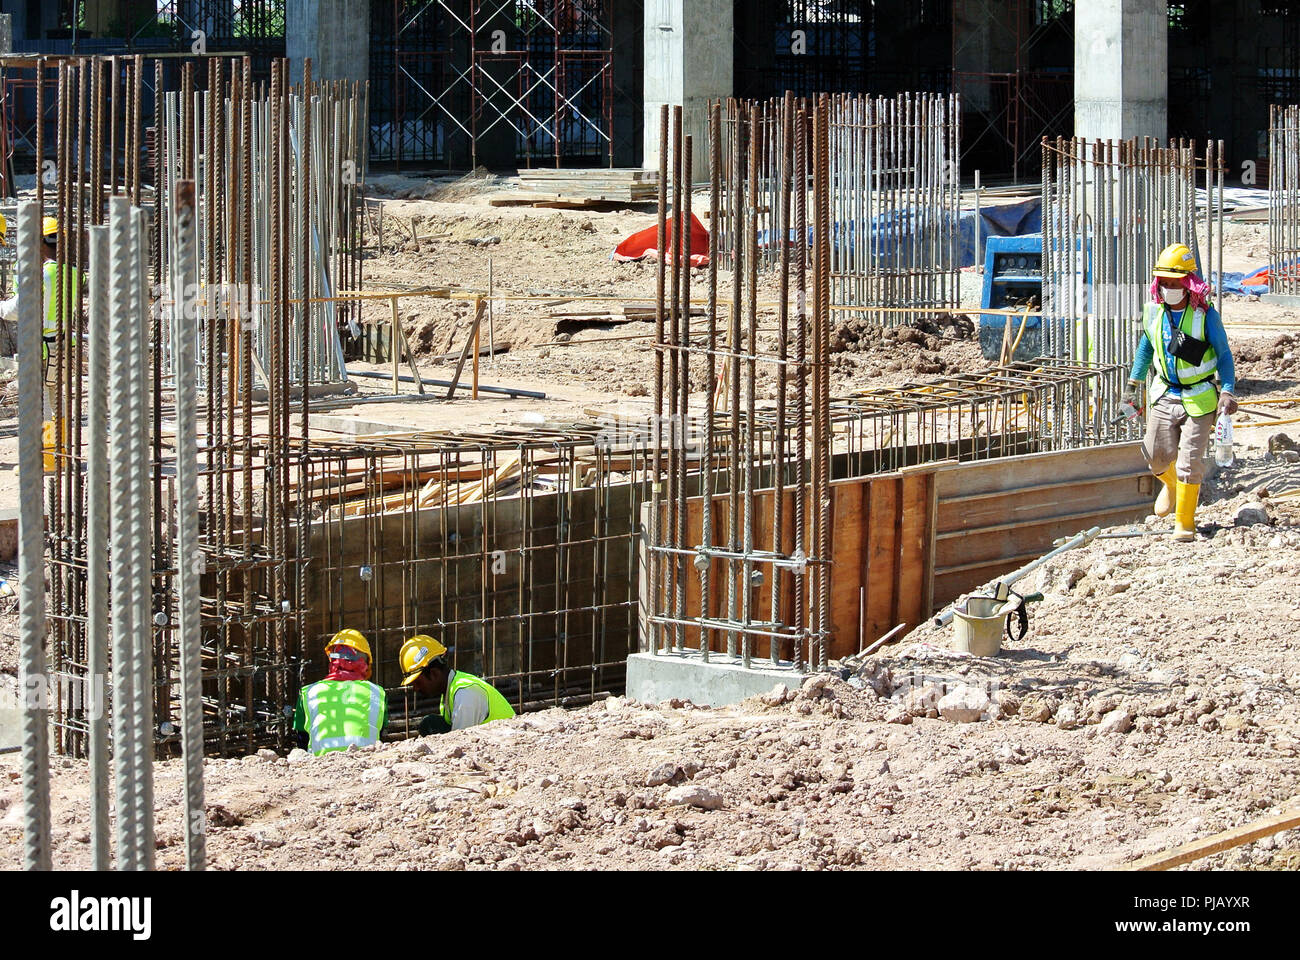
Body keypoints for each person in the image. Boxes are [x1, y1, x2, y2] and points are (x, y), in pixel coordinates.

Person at [1123, 242, 1236, 542]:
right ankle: (1170, 486)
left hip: (1199, 397)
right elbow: (1144, 350)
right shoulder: (1153, 314)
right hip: (1164, 393)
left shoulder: (1205, 317)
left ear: (1188, 284)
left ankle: (1184, 523)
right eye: (1165, 283)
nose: (1169, 288)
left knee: (1189, 462)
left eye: (1175, 283)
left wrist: (1227, 390)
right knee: (1156, 457)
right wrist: (1131, 389)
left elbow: (1224, 356)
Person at [0, 216, 81, 419]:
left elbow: (16, 309)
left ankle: (45, 447)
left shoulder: (41, 275)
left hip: (41, 349)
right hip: (63, 346)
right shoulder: (74, 273)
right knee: (56, 397)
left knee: (41, 401)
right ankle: (60, 444)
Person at [292, 629, 388, 755]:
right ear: (365, 662)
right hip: (365, 761)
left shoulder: (309, 693)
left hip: (321, 765)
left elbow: (301, 740)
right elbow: (380, 735)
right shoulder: (377, 693)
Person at [399, 634, 515, 735]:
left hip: (506, 744)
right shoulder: (450, 690)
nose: (415, 688)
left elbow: (460, 744)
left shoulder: (465, 694)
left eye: (418, 682)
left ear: (434, 674)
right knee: (430, 724)